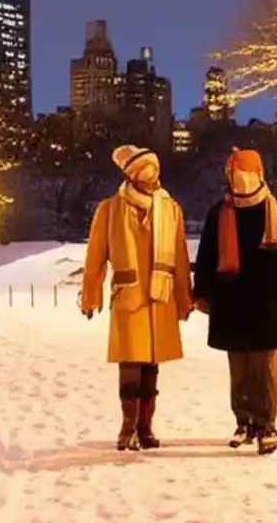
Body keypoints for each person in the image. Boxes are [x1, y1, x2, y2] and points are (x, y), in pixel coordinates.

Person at [192, 147, 277, 455]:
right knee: (239, 367)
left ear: (259, 175)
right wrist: (202, 293)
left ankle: (267, 423)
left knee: (265, 366)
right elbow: (205, 256)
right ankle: (244, 421)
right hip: (229, 302)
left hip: (266, 303)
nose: (239, 181)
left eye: (244, 174)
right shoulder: (219, 213)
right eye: (233, 175)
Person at [80, 144, 194, 451]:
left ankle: (146, 427)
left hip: (160, 295)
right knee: (130, 364)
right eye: (144, 170)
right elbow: (95, 256)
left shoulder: (170, 209)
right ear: (132, 174)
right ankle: (128, 426)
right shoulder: (110, 208)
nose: (151, 175)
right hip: (129, 296)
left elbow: (181, 258)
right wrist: (90, 293)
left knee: (151, 365)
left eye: (154, 169)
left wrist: (184, 296)